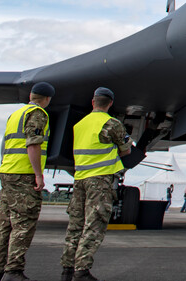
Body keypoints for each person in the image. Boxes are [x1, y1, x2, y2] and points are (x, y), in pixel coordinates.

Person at [60, 86, 132, 281]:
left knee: (75, 225)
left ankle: (67, 269)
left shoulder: (80, 124)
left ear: (93, 102)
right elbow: (126, 150)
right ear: (110, 104)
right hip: (99, 181)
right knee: (94, 225)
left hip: (80, 179)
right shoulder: (112, 123)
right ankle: (81, 271)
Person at [0, 80, 54, 281]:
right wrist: (38, 175)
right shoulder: (37, 114)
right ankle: (14, 271)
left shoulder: (15, 114)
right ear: (47, 99)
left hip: (7, 172)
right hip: (23, 175)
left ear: (30, 96)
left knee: (4, 225)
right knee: (23, 223)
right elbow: (33, 145)